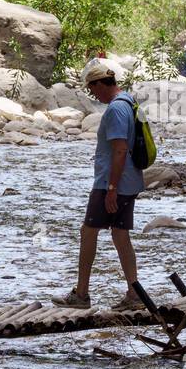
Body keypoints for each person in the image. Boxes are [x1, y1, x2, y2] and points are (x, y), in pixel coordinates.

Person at [54, 59, 144, 310]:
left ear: (100, 84)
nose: (93, 94)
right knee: (120, 235)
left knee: (88, 232)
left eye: (92, 89)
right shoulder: (129, 101)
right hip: (130, 180)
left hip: (111, 183)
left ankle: (81, 295)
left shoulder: (115, 109)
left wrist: (111, 190)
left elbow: (119, 150)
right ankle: (134, 294)